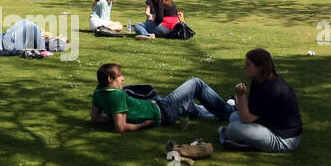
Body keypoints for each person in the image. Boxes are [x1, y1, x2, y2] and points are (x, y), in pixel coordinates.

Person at [89, 63, 232, 133]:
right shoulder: (117, 94)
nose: (123, 79)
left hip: (159, 106)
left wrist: (114, 116)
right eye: (119, 76)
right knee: (196, 83)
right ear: (109, 78)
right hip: (163, 111)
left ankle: (229, 108)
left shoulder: (98, 91)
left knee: (191, 108)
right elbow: (120, 128)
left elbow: (95, 118)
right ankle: (228, 111)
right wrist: (142, 125)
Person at [219, 48, 302, 153]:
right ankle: (245, 141)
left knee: (232, 129)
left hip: (284, 139)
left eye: (248, 65)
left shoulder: (273, 89)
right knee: (234, 116)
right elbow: (250, 112)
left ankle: (244, 142)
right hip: (268, 125)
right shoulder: (259, 81)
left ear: (260, 67)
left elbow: (246, 119)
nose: (244, 67)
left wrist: (241, 95)